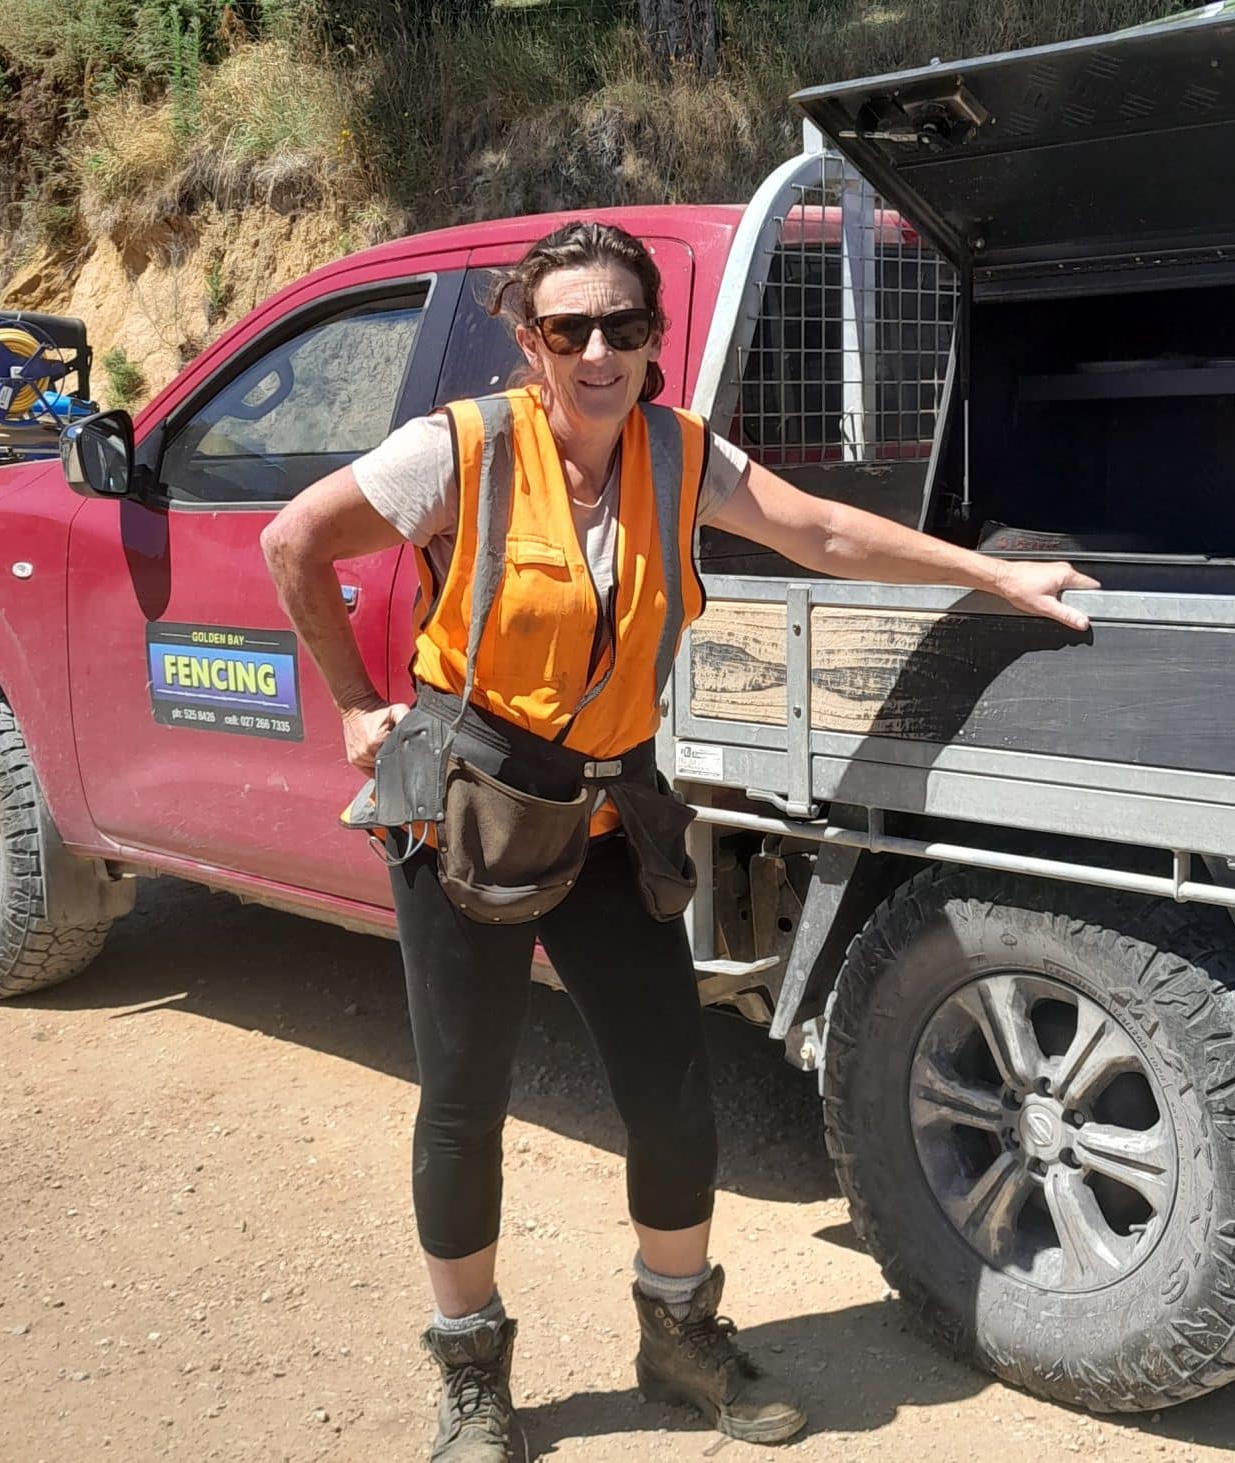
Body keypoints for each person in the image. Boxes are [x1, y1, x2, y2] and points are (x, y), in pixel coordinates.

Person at [260, 220, 1096, 1459]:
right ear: (527, 337)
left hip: (609, 810)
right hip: (469, 812)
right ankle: (473, 1373)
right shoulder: (462, 448)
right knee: (463, 1102)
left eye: (623, 325)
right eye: (568, 328)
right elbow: (293, 540)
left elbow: (815, 530)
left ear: (656, 336)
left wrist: (984, 576)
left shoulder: (675, 451)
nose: (598, 350)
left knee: (668, 1091)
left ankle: (676, 1335)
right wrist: (350, 705)